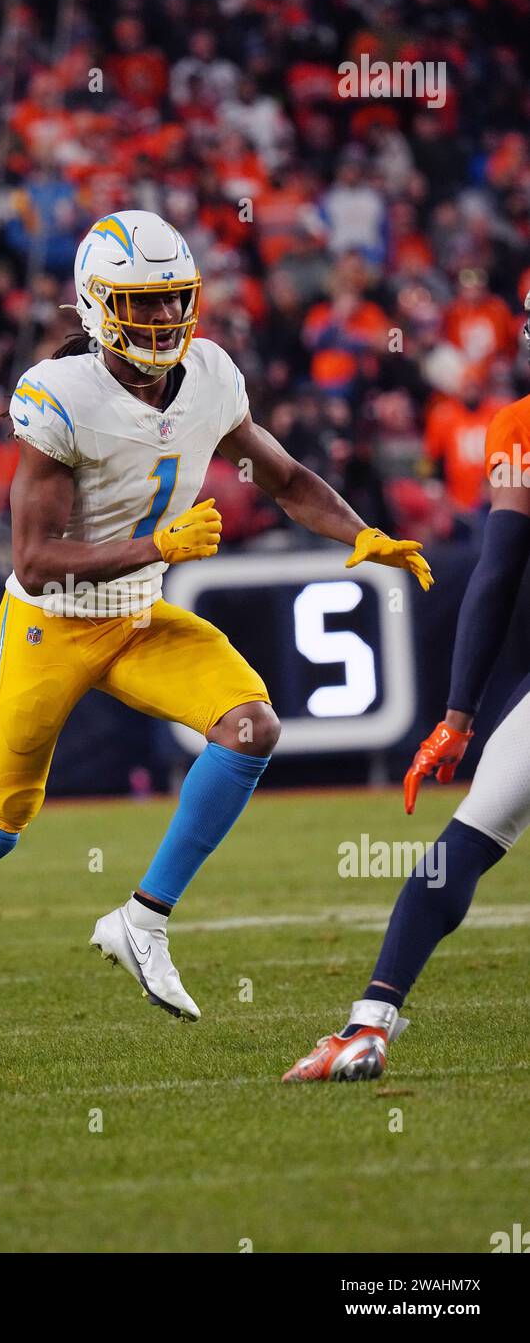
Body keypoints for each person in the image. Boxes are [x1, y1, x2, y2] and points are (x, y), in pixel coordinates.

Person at [0, 210, 431, 1065]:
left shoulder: (210, 376)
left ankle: (142, 918)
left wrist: (360, 531)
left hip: (140, 618)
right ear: (97, 307)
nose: (164, 322)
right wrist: (159, 545)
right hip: (53, 626)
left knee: (250, 725)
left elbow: (284, 477)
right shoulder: (59, 395)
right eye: (143, 305)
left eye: (174, 301)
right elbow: (35, 563)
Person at [283, 297, 530, 1084]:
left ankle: (368, 1026)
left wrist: (458, 714)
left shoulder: (519, 423)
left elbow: (497, 572)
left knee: (459, 848)